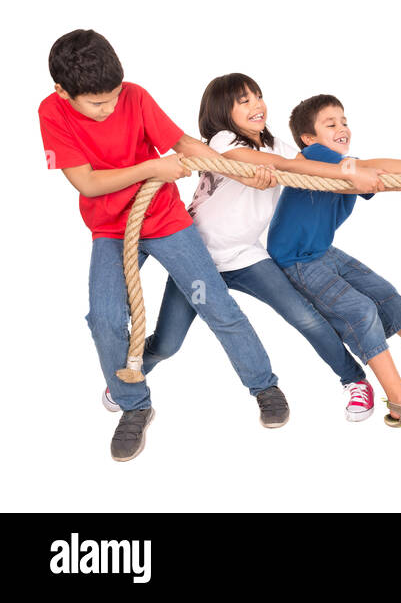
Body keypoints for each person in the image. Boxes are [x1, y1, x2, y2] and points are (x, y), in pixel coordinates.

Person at [39, 30, 289, 461]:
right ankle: (135, 406)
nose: (111, 107)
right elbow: (87, 181)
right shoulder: (51, 112)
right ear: (63, 92)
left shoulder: (134, 97)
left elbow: (186, 146)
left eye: (114, 96)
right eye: (98, 103)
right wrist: (151, 166)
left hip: (167, 221)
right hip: (111, 231)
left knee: (215, 304)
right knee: (104, 318)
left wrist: (243, 173)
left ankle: (264, 385)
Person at [143, 73, 401, 422]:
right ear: (222, 111)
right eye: (244, 100)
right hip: (195, 257)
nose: (257, 105)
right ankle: (132, 373)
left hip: (244, 255)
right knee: (168, 343)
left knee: (305, 317)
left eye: (258, 96)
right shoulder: (224, 139)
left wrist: (384, 178)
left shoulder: (278, 148)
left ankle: (354, 380)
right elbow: (262, 163)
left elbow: (309, 168)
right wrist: (291, 168)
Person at [268, 93, 401, 427]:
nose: (342, 127)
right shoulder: (313, 156)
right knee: (361, 311)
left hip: (322, 250)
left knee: (388, 296)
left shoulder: (347, 168)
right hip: (296, 260)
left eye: (344, 121)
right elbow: (372, 168)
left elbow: (374, 175)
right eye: (331, 123)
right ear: (309, 139)